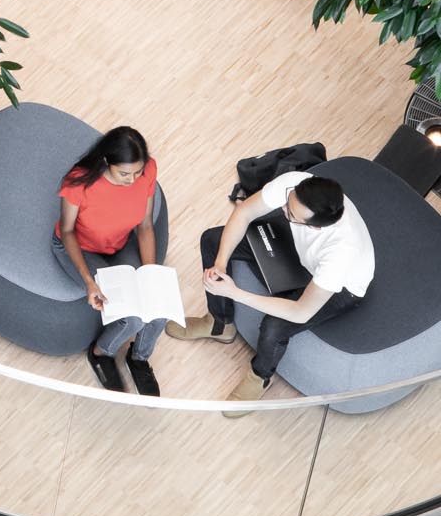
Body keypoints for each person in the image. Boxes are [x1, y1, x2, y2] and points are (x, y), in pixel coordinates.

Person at [177, 166, 376, 396]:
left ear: (315, 226)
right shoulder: (296, 184)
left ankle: (261, 376)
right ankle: (219, 324)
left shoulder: (340, 253)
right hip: (306, 254)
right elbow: (244, 213)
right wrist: (221, 264)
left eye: (290, 213)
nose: (283, 208)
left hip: (343, 288)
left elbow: (300, 312)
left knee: (274, 326)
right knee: (213, 240)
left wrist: (234, 292)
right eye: (287, 202)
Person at [53, 125, 166, 396]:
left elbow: (146, 226)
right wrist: (89, 282)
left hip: (118, 244)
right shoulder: (79, 183)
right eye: (124, 173)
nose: (132, 179)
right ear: (107, 162)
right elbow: (67, 231)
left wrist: (150, 275)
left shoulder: (147, 170)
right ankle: (101, 352)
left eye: (137, 172)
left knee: (157, 311)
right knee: (131, 318)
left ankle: (138, 358)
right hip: (81, 248)